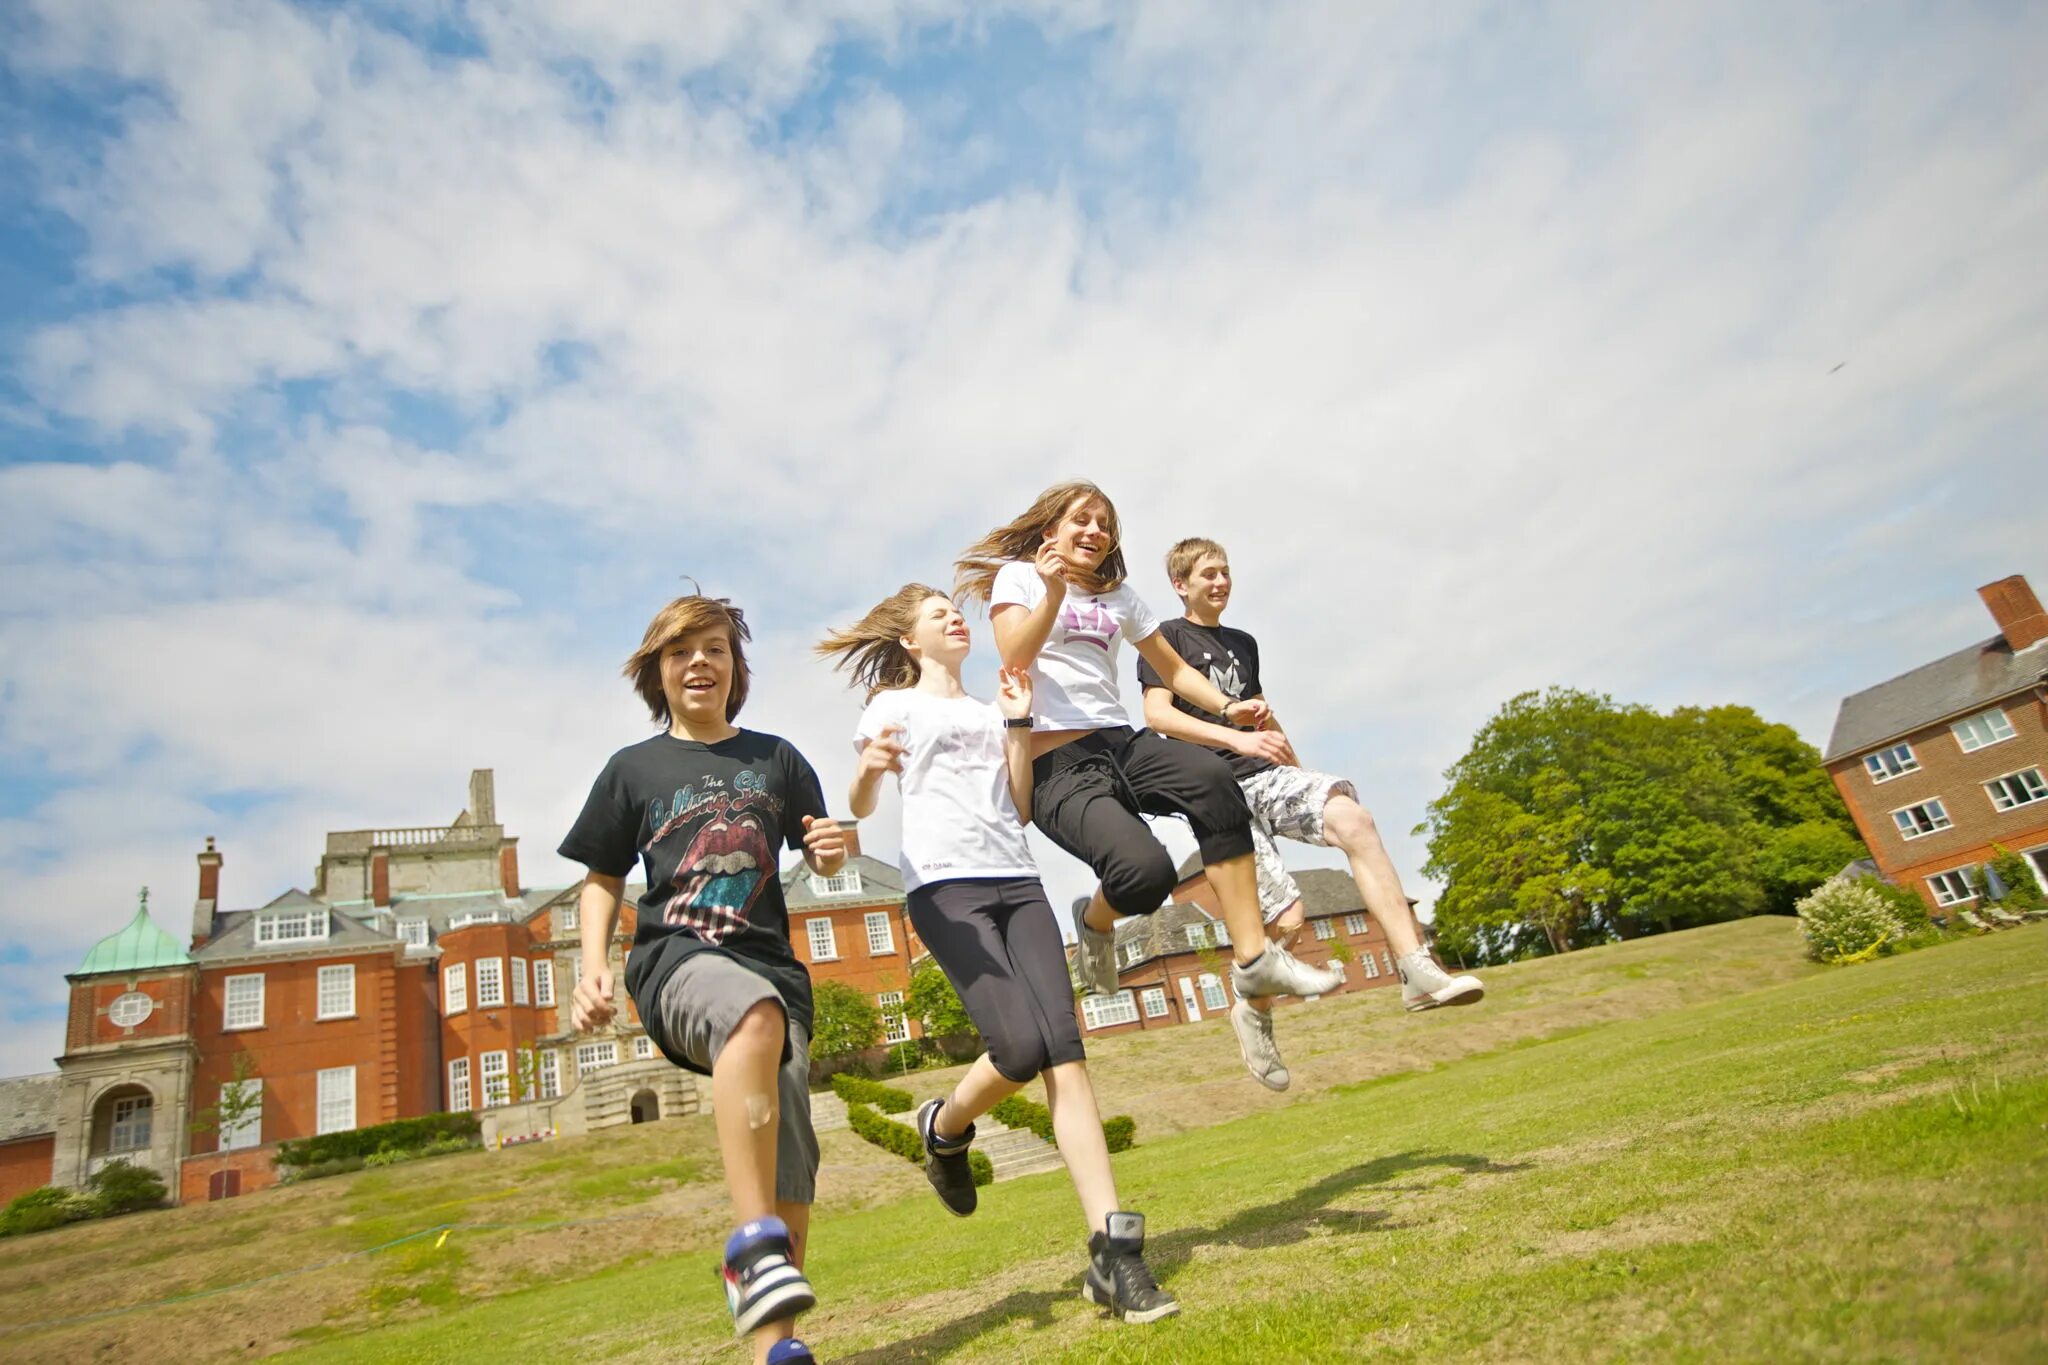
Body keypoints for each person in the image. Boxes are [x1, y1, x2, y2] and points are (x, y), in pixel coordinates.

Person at [818, 583, 1180, 1322]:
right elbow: (858, 805)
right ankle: (943, 1128)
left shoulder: (994, 705)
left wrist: (1017, 726)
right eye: (937, 613)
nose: (957, 615)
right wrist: (869, 767)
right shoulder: (894, 706)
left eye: (958, 608)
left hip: (1017, 879)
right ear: (911, 641)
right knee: (1017, 1046)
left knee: (1065, 1051)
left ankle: (1115, 1253)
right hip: (944, 887)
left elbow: (1018, 804)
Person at [955, 482, 1342, 1060]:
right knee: (1146, 875)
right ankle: (1093, 919)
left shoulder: (1120, 596)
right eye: (1080, 520)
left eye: (1103, 523)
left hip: (1122, 742)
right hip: (1057, 763)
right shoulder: (1021, 578)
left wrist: (1227, 708)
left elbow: (1174, 668)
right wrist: (1055, 591)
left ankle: (1254, 959)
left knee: (1213, 780)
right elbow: (1015, 656)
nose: (1094, 531)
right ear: (1050, 532)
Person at [560, 594, 845, 1365]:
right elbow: (602, 877)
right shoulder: (632, 769)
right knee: (749, 1013)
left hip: (774, 969)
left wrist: (828, 852)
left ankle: (775, 1349)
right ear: (659, 668)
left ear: (734, 665)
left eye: (715, 648)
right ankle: (753, 1245)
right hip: (676, 964)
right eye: (682, 650)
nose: (699, 662)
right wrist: (592, 968)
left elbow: (821, 849)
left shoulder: (777, 757)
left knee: (791, 1139)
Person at [1138, 537, 1484, 1090]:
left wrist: (1297, 770)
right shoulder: (1167, 640)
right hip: (1217, 793)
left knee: (1355, 820)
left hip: (1269, 777)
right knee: (1291, 921)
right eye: (1208, 574)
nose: (1221, 582)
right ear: (1181, 585)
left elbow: (1266, 719)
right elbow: (1159, 717)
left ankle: (1417, 970)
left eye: (1226, 571)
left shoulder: (1244, 644)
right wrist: (1233, 735)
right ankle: (1253, 1009)